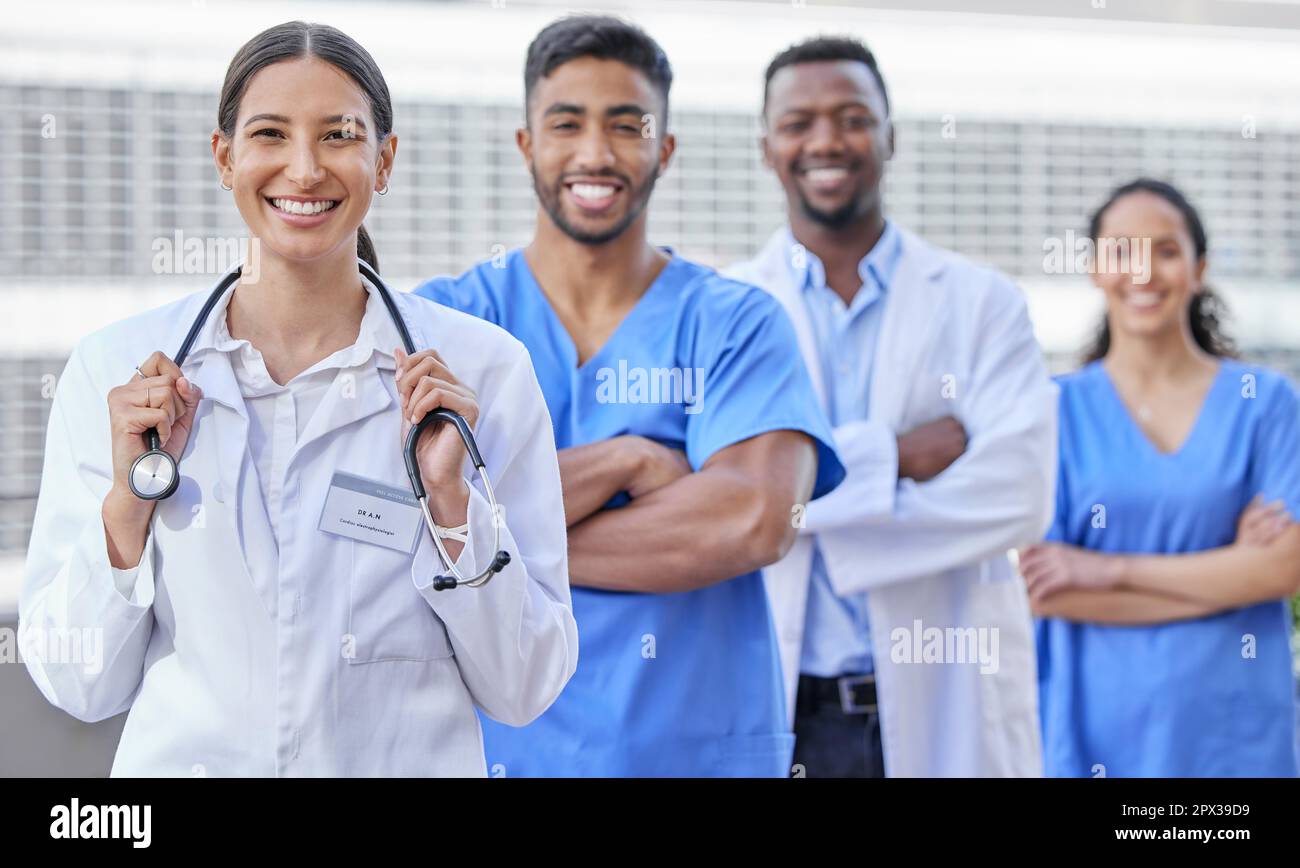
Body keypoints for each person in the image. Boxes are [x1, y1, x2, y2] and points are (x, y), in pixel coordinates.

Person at [19, 20, 577, 776]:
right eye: (271, 134)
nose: (305, 169)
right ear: (225, 158)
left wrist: (452, 508)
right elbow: (76, 680)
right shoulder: (116, 373)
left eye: (340, 136)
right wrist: (128, 503)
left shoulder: (484, 373)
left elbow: (526, 687)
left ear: (384, 161)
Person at [416, 15, 844, 777]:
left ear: (664, 149)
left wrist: (486, 545)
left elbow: (755, 518)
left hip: (692, 753)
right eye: (566, 123)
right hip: (498, 757)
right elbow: (394, 520)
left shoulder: (735, 322)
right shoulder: (449, 322)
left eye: (626, 125)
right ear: (527, 145)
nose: (595, 153)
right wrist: (624, 460)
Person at [727, 36, 1055, 777]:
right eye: (798, 122)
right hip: (785, 716)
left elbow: (1019, 496)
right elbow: (714, 500)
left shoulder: (983, 304)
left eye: (851, 117)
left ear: (889, 135)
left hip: (945, 705)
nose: (826, 141)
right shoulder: (727, 309)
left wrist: (796, 509)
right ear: (766, 146)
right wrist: (896, 458)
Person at [1023, 178, 1300, 777]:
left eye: (1166, 250)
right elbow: (1042, 590)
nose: (1143, 271)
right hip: (1092, 738)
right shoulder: (1052, 411)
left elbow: (1283, 567)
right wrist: (1229, 572)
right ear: (1096, 270)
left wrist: (1107, 568)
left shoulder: (1266, 403)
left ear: (1199, 269)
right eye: (1122, 251)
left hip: (1233, 743)